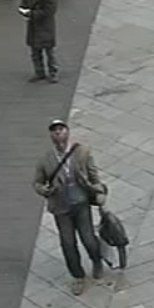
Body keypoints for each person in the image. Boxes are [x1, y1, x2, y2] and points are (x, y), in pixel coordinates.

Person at [34, 118, 108, 295]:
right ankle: (78, 276)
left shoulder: (81, 152)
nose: (58, 132)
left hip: (81, 202)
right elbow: (37, 182)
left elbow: (93, 175)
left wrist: (98, 191)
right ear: (51, 135)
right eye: (54, 130)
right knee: (68, 243)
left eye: (61, 129)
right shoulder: (45, 159)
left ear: (67, 132)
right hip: (60, 207)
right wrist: (44, 189)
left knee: (88, 237)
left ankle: (97, 261)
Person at [20, 0, 58, 83]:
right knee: (35, 53)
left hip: (46, 27)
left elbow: (48, 12)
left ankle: (53, 73)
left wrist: (31, 13)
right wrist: (23, 10)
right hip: (33, 27)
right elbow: (23, 4)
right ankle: (39, 73)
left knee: (49, 52)